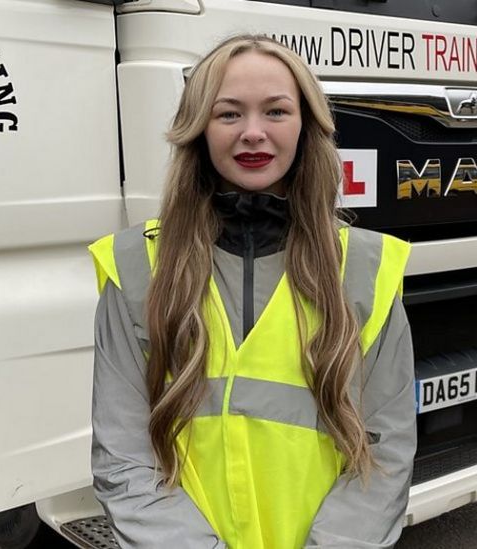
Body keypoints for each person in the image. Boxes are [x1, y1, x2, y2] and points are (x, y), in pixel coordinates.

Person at [88, 34, 415, 549]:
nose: (254, 133)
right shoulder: (135, 266)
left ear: (306, 126)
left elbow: (385, 450)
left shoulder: (366, 269)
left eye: (277, 112)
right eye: (229, 114)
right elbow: (124, 455)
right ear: (198, 130)